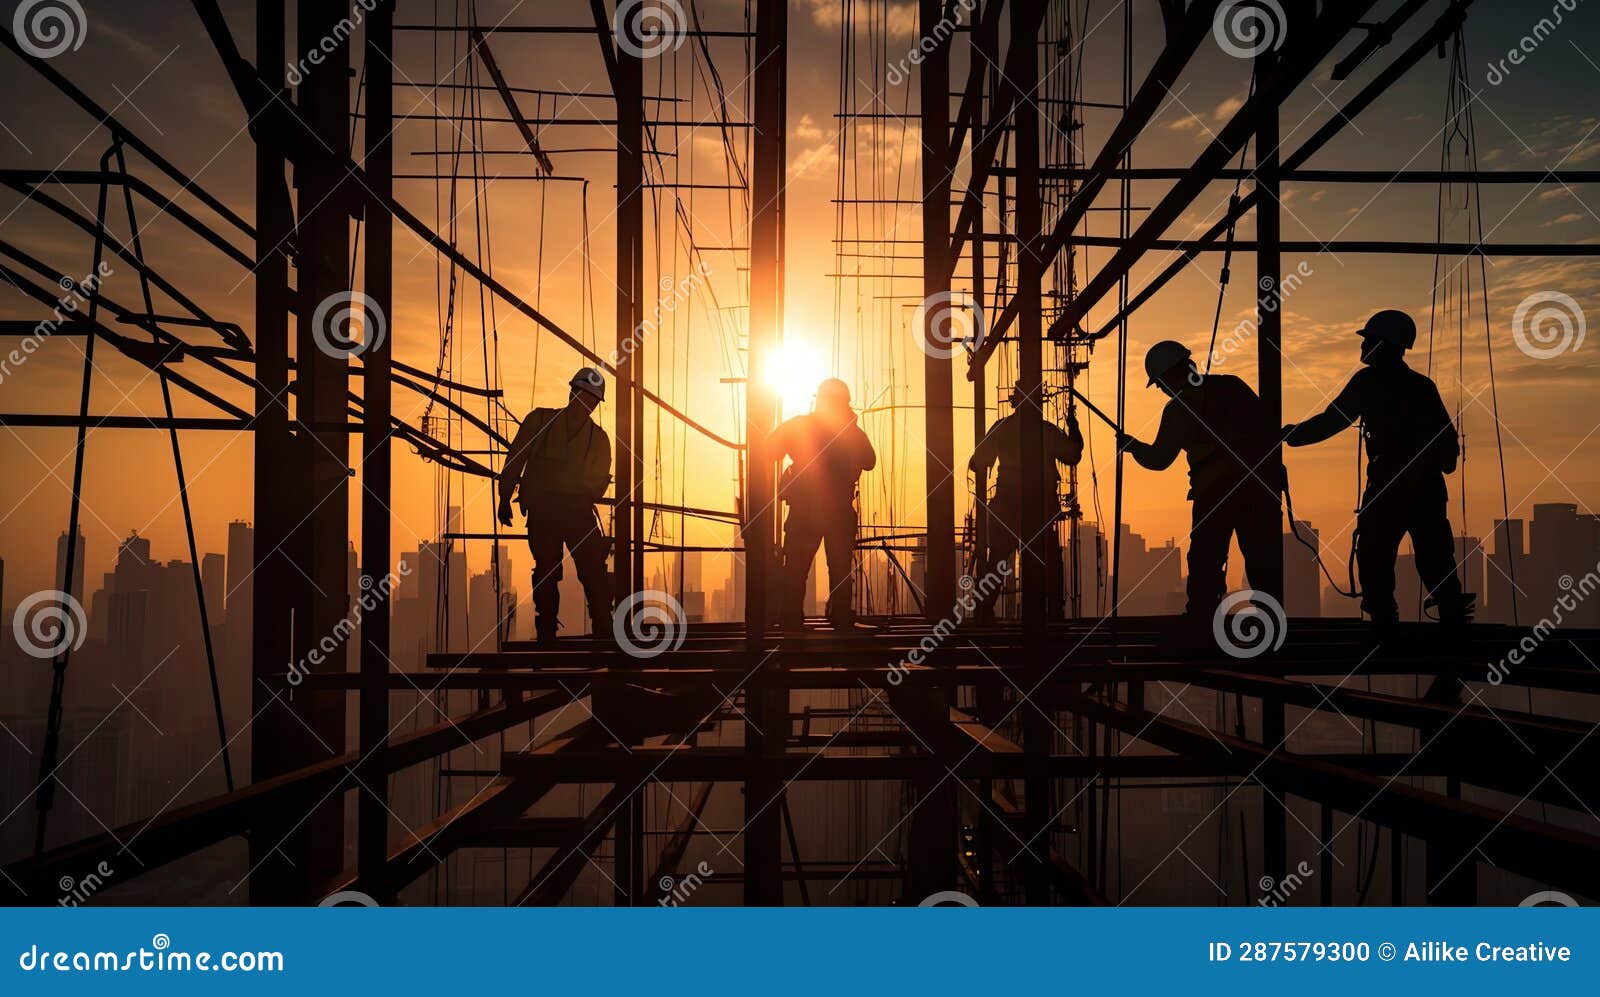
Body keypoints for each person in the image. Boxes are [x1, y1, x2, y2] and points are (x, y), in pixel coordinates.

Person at [1283, 310, 1473, 625]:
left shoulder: (1369, 383)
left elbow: (1332, 421)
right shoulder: (1421, 387)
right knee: (1433, 553)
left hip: (1390, 486)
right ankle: (1450, 611)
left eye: (1368, 341)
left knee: (1375, 551)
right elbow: (1447, 445)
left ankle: (1384, 615)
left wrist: (1291, 435)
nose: (1363, 347)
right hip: (1426, 487)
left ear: (1385, 345)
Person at [1117, 341, 1282, 620]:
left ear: (1171, 374)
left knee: (1206, 558)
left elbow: (1159, 459)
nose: (1159, 388)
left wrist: (1134, 447)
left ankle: (1202, 618)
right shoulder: (1232, 387)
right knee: (1260, 556)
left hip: (1214, 493)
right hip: (1257, 488)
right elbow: (1265, 427)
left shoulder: (1178, 410)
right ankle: (1270, 617)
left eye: (1159, 382)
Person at [498, 367, 613, 644]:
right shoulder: (539, 421)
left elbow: (598, 481)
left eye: (592, 401)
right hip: (545, 512)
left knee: (593, 570)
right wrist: (504, 498)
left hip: (577, 512)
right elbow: (516, 459)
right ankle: (546, 631)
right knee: (547, 570)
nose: (586, 405)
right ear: (573, 393)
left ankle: (604, 629)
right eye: (583, 397)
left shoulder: (598, 439)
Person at [968, 382, 1084, 621]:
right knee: (1047, 559)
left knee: (999, 558)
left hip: (1007, 504)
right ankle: (1050, 612)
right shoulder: (1046, 432)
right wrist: (1074, 428)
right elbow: (1073, 454)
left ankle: (984, 610)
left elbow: (977, 461)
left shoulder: (1002, 429)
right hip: (1038, 505)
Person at [772, 378, 877, 631]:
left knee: (797, 567)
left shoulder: (800, 426)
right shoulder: (852, 433)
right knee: (840, 567)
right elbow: (869, 461)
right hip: (838, 511)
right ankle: (840, 615)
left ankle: (790, 617)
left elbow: (770, 449)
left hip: (805, 510)